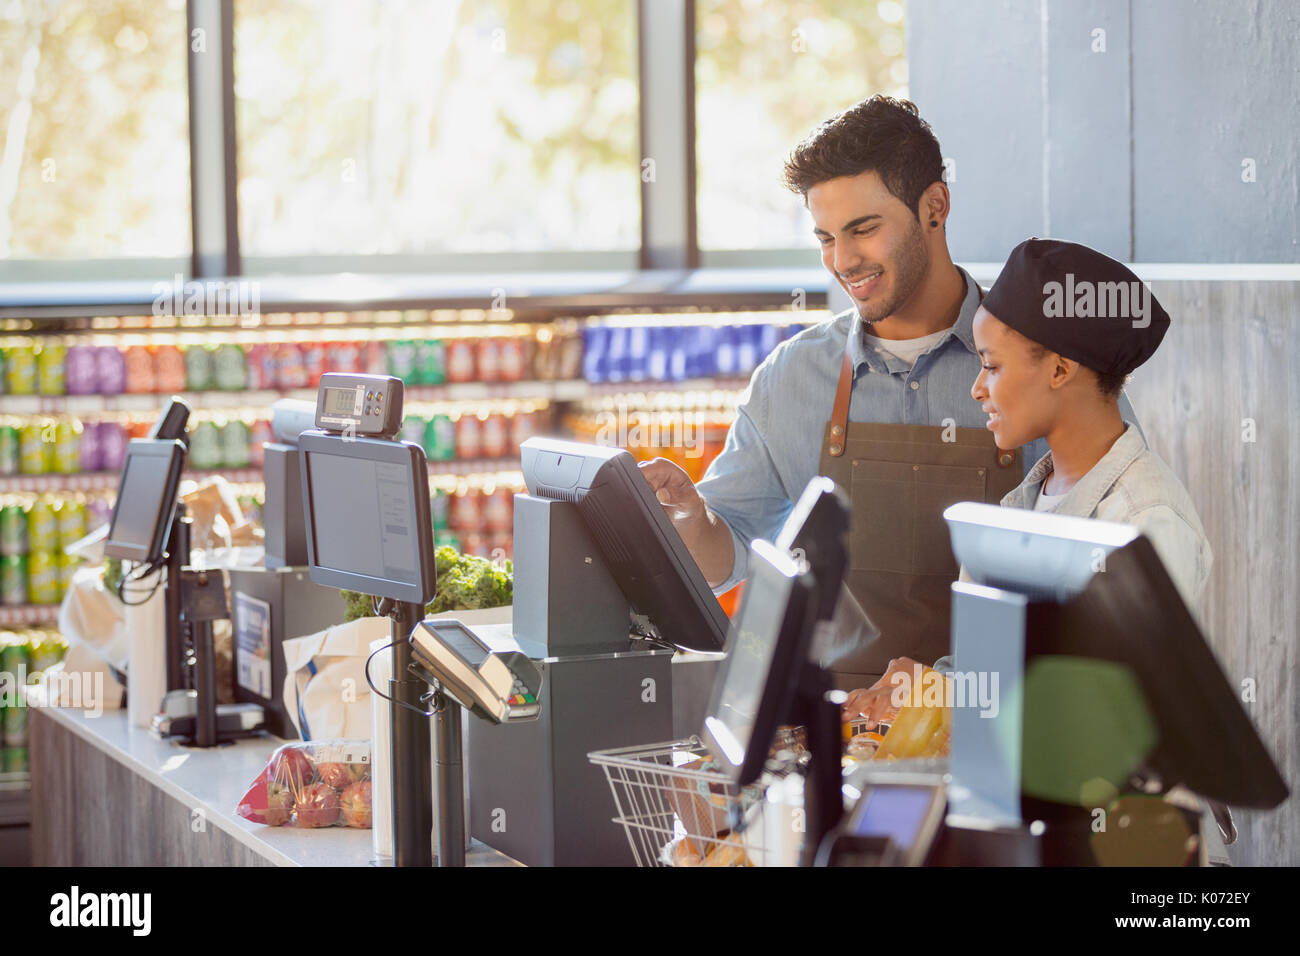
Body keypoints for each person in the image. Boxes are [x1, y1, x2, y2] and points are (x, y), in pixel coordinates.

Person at [639, 97, 1140, 692]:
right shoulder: (791, 378)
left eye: (864, 229)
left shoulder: (1046, 364)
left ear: (935, 206)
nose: (843, 261)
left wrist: (944, 690)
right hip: (841, 734)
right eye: (825, 237)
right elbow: (733, 549)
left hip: (1006, 720)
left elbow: (1110, 562)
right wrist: (695, 524)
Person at [844, 237, 1213, 727]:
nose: (977, 388)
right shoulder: (1018, 508)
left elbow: (1110, 720)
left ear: (1060, 369)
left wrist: (950, 700)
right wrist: (929, 688)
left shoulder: (1146, 522)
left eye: (992, 365)